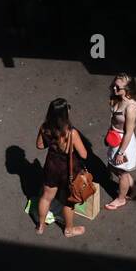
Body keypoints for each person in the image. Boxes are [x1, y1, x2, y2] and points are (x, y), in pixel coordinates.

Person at [34, 98, 88, 238]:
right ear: (65, 114)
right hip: (67, 170)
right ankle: (69, 230)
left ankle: (40, 226)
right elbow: (84, 154)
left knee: (46, 197)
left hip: (51, 166)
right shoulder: (71, 133)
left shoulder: (45, 127)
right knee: (67, 202)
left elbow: (39, 146)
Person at [104, 73, 136, 210]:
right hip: (114, 138)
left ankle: (120, 199)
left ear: (128, 89)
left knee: (122, 173)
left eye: (118, 88)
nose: (114, 89)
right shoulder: (116, 98)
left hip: (124, 143)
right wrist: (108, 134)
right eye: (114, 85)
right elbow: (113, 120)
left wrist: (121, 152)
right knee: (114, 167)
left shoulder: (131, 107)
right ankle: (135, 189)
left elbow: (129, 132)